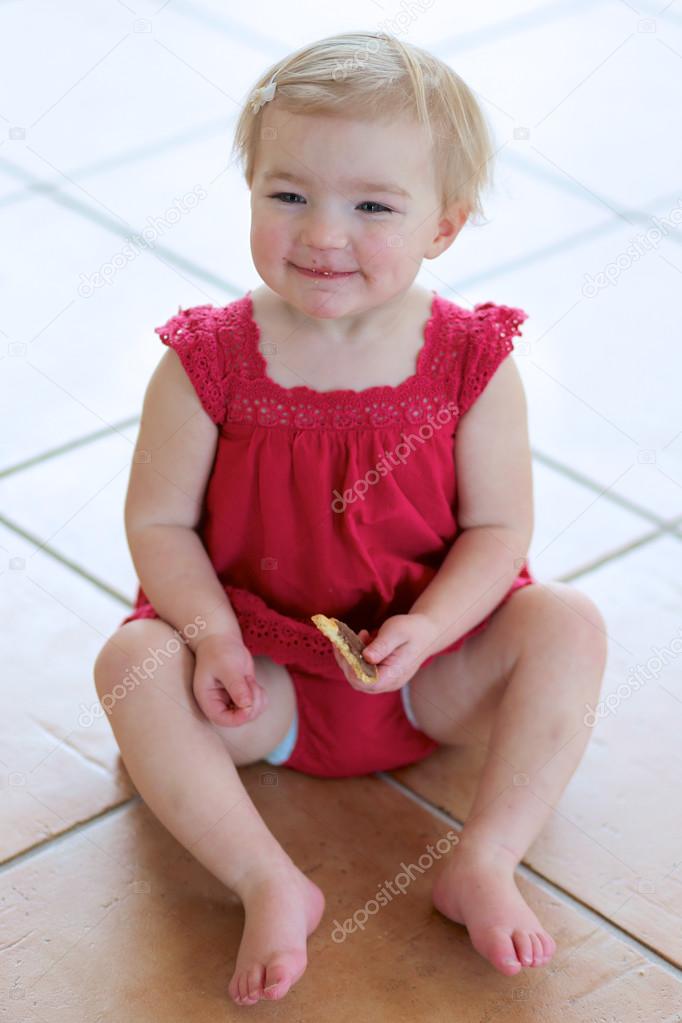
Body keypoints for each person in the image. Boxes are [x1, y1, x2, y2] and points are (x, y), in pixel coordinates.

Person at [93, 30, 607, 1007]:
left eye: (371, 206)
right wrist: (208, 641)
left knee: (568, 624)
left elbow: (500, 533)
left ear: (442, 227)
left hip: (428, 680)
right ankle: (266, 878)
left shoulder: (472, 362)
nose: (322, 233)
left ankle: (485, 860)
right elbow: (158, 525)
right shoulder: (206, 361)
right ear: (249, 191)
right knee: (130, 664)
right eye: (287, 196)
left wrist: (436, 628)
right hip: (260, 681)